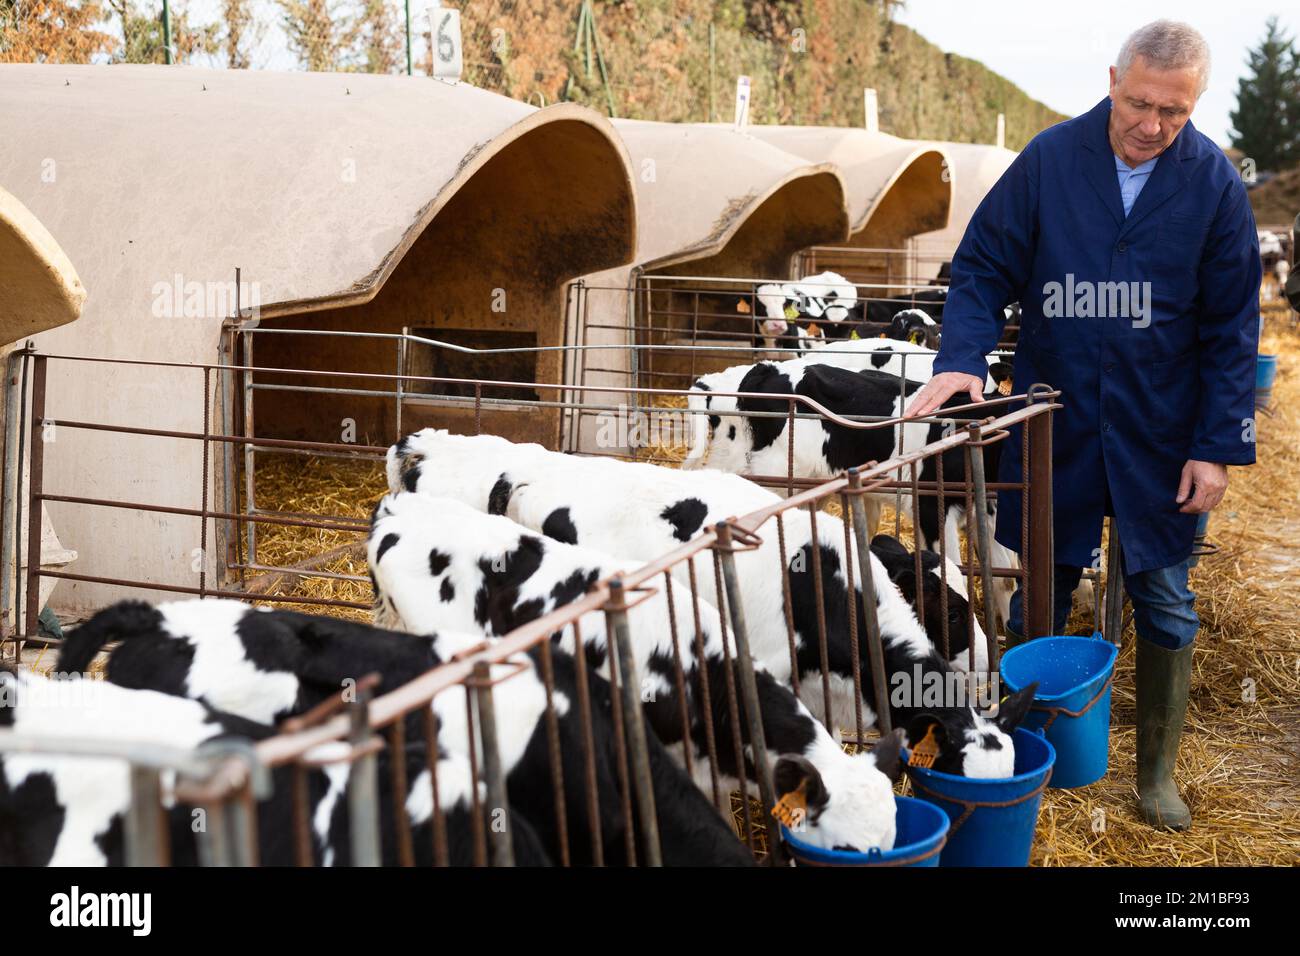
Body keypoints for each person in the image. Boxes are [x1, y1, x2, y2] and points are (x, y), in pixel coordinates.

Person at [906, 20, 1261, 830]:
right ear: (1112, 79)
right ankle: (1028, 760)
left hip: (1160, 431)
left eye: (1174, 112)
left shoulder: (1213, 184)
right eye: (1140, 103)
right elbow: (985, 264)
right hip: (1053, 419)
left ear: (1195, 104)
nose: (1153, 125)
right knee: (1041, 593)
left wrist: (1216, 447)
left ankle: (1155, 776)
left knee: (1165, 598)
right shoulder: (1049, 161)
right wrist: (961, 356)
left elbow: (1231, 329)